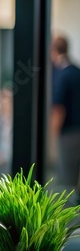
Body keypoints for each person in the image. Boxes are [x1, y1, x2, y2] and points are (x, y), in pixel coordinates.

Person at [50, 35, 80, 189]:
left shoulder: (62, 75)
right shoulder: (76, 70)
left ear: (54, 51)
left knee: (66, 181)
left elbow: (58, 108)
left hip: (69, 133)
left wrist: (53, 134)